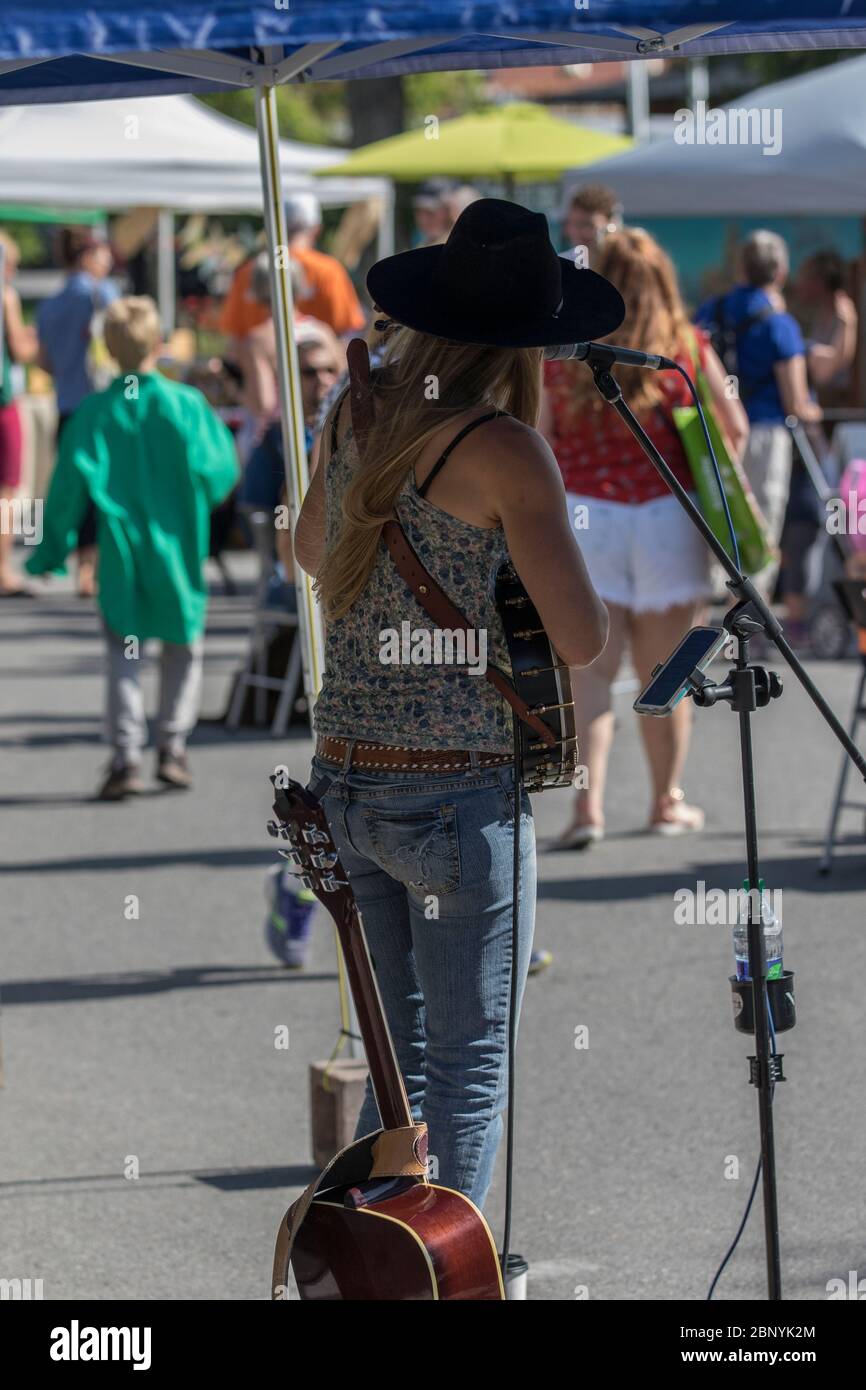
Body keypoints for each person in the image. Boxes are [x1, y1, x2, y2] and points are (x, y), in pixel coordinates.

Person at [292, 198, 618, 1209]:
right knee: (463, 1068)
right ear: (525, 341)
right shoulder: (507, 451)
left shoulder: (353, 406)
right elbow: (580, 639)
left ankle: (361, 1267)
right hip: (453, 797)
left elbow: (308, 554)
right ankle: (438, 1282)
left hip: (345, 780)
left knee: (396, 1066)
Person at [542, 227, 749, 848]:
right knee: (668, 673)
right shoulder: (684, 346)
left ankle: (589, 808)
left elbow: (540, 437)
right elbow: (732, 430)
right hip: (667, 517)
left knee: (590, 675)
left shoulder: (568, 350)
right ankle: (666, 801)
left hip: (585, 520)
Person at [26, 297, 239, 800]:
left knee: (124, 653)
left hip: (120, 550)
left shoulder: (95, 411)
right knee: (183, 646)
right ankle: (173, 746)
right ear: (156, 344)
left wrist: (50, 550)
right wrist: (193, 499)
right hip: (177, 542)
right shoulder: (185, 404)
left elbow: (64, 491)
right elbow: (221, 469)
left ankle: (126, 756)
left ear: (108, 347)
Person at [695, 230, 819, 599]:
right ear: (780, 272)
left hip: (713, 431)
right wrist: (815, 411)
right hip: (764, 432)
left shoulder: (709, 312)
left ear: (740, 268)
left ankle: (706, 601)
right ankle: (753, 614)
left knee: (716, 513)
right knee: (760, 521)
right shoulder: (780, 324)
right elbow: (796, 401)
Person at [37, 227, 119, 598]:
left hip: (68, 408)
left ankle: (82, 571)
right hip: (105, 410)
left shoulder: (49, 304)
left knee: (76, 495)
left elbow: (45, 362)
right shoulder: (103, 295)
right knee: (109, 490)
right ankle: (102, 569)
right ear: (88, 256)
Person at [219, 194, 366, 346]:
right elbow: (348, 330)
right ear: (316, 229)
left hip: (255, 363)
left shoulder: (247, 271)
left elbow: (234, 336)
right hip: (317, 363)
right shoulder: (329, 270)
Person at [0, 231, 40, 596]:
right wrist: (31, 339)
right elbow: (19, 350)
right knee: (7, 489)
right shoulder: (6, 295)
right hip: (3, 403)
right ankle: (2, 569)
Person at [561, 184, 623, 266]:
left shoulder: (626, 265)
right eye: (577, 225)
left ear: (611, 225)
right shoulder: (559, 266)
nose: (584, 233)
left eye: (590, 225)